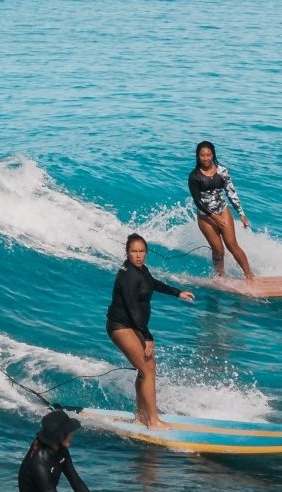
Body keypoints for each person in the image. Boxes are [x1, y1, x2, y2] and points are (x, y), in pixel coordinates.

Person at [106, 233, 194, 429]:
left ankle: (141, 415)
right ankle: (153, 421)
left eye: (142, 251)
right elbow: (132, 308)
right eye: (134, 251)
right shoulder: (129, 275)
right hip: (121, 326)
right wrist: (147, 336)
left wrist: (177, 292)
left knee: (146, 368)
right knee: (148, 370)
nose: (138, 255)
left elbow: (153, 283)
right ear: (127, 252)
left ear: (146, 252)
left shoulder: (141, 270)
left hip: (132, 325)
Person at [188, 140, 255, 281]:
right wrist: (213, 216)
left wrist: (241, 214)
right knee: (218, 251)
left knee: (232, 245)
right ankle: (220, 278)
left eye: (208, 155)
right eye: (202, 155)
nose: (205, 158)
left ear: (213, 155)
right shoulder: (194, 176)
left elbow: (231, 192)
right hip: (205, 217)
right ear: (198, 156)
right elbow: (197, 201)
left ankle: (249, 276)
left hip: (222, 211)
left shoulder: (222, 171)